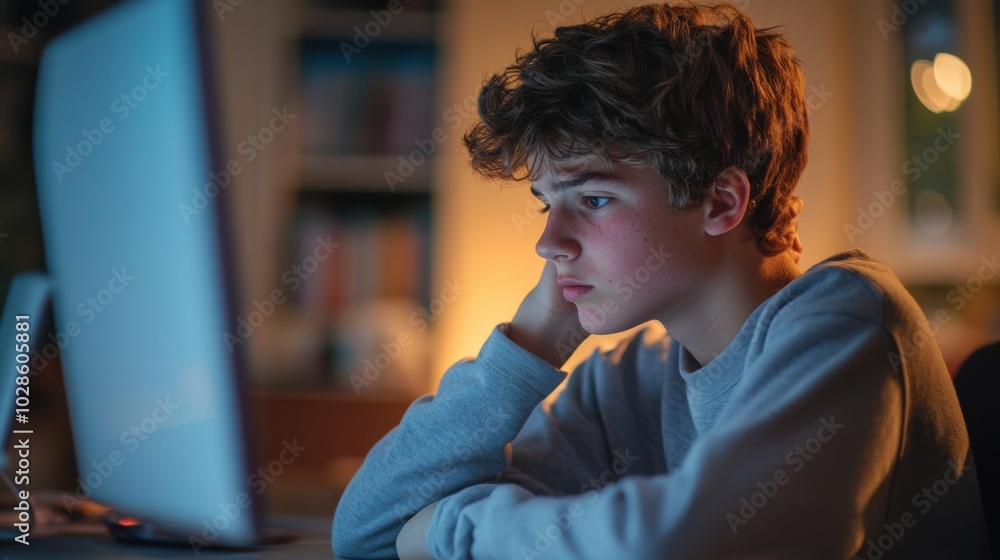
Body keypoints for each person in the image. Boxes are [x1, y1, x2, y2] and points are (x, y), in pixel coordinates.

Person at [332, 2, 992, 558]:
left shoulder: (848, 321)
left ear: (721, 202)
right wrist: (532, 342)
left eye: (591, 199)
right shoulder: (629, 381)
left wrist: (454, 527)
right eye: (545, 203)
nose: (546, 241)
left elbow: (699, 540)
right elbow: (368, 532)